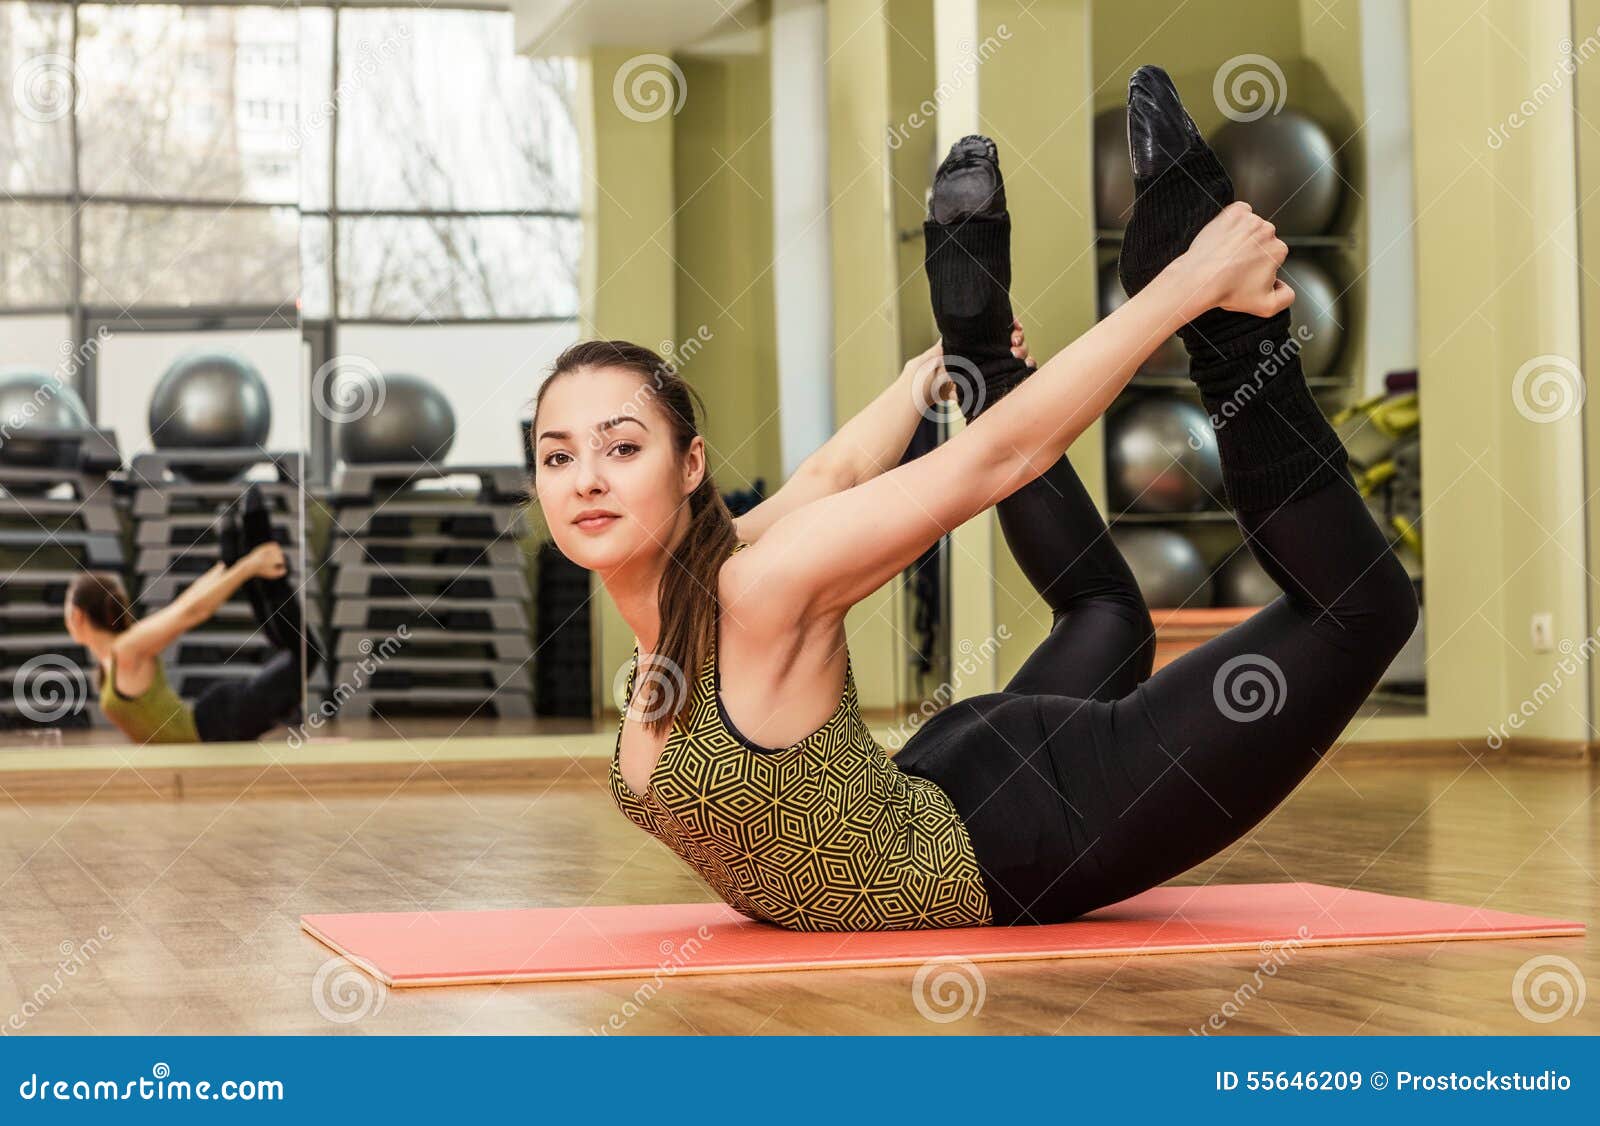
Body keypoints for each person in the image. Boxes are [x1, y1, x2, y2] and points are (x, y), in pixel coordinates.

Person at [527, 66, 1417, 931]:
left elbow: (1001, 457)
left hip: (1023, 829)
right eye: (557, 456)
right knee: (1108, 614)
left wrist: (1191, 284)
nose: (588, 479)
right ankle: (982, 353)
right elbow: (828, 480)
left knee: (1362, 609)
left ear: (690, 468)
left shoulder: (754, 592)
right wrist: (936, 376)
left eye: (621, 447)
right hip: (949, 786)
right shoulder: (700, 591)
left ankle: (1229, 331)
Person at [64, 484, 321, 745]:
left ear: (77, 616)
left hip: (221, 722)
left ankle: (261, 544)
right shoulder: (113, 659)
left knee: (304, 654)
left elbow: (190, 612)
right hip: (216, 721)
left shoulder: (126, 651)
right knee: (300, 655)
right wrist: (229, 567)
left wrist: (249, 566)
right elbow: (183, 606)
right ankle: (252, 552)